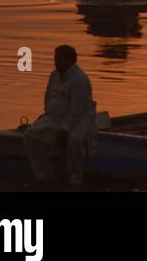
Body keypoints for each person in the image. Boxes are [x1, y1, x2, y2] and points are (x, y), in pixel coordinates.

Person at [22, 45, 97, 189]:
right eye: (55, 59)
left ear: (70, 61)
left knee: (74, 141)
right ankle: (44, 177)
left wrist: (64, 130)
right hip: (54, 118)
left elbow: (77, 109)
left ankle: (76, 180)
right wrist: (47, 114)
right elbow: (48, 97)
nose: (55, 62)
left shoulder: (80, 79)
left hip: (79, 119)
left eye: (58, 59)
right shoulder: (54, 75)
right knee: (30, 136)